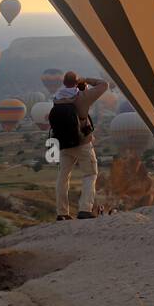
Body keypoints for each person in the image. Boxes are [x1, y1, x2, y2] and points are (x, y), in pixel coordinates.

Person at [49, 71, 109, 220]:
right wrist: (86, 79)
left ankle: (62, 212)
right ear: (76, 83)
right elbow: (104, 84)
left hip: (63, 143)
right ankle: (85, 209)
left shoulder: (57, 98)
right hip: (82, 143)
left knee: (62, 177)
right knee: (90, 174)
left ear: (63, 83)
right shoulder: (82, 97)